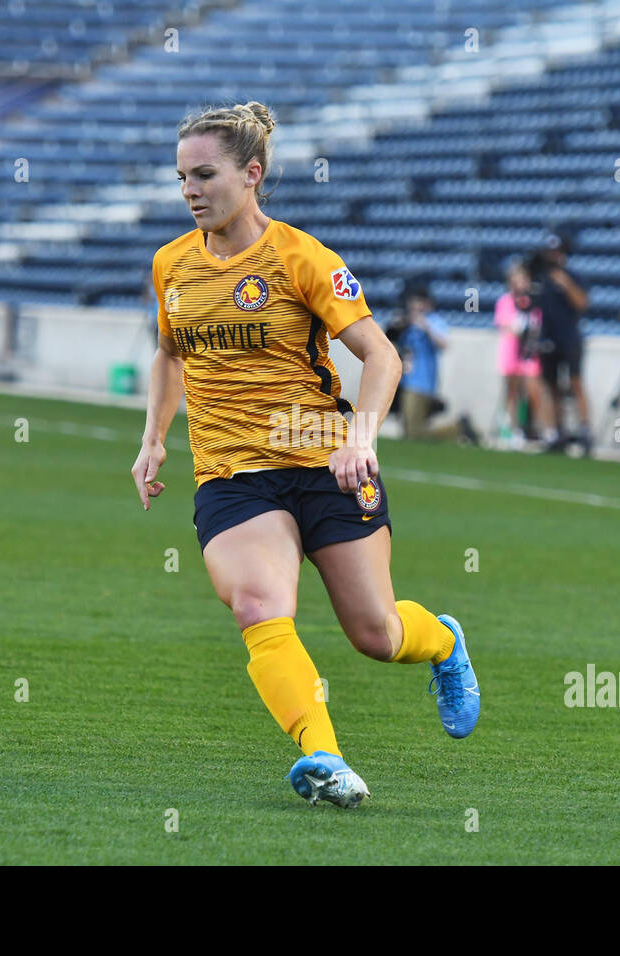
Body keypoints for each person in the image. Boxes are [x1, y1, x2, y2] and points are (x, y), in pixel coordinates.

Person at [131, 101, 480, 810]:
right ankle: (325, 757)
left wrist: (361, 436)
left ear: (251, 174)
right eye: (181, 178)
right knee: (259, 603)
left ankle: (440, 642)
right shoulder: (171, 265)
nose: (190, 190)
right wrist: (154, 436)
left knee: (375, 634)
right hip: (233, 476)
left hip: (325, 461)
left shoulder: (301, 257)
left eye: (205, 174)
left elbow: (381, 355)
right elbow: (169, 355)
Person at [392, 281, 478, 444]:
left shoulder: (433, 321)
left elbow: (444, 343)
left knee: (414, 433)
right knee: (410, 431)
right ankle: (458, 428)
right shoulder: (407, 324)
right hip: (407, 381)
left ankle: (458, 428)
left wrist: (425, 326)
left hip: (423, 383)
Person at [529, 233, 591, 453]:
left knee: (575, 383)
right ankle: (558, 431)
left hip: (569, 338)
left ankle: (585, 431)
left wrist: (565, 284)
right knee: (552, 387)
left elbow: (582, 304)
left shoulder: (573, 276)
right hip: (548, 338)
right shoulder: (541, 279)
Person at [493, 256, 548, 444]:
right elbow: (503, 324)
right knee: (513, 391)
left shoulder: (534, 301)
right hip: (511, 350)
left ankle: (536, 427)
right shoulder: (505, 301)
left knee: (533, 390)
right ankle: (511, 428)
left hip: (529, 351)